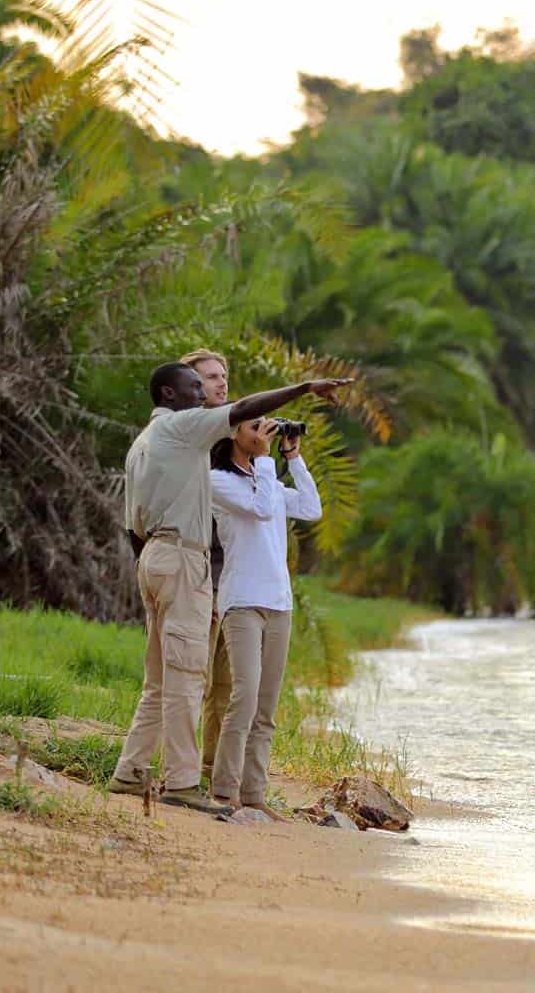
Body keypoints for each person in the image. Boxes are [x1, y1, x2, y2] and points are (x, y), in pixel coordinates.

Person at [109, 361, 351, 812]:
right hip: (180, 556)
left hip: (155, 554)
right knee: (186, 675)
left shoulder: (142, 443)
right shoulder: (181, 429)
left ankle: (130, 770)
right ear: (168, 394)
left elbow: (131, 523)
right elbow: (243, 408)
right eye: (195, 387)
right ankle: (181, 784)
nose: (204, 395)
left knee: (160, 679)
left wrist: (152, 562)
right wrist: (303, 387)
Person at [208, 416, 321, 818]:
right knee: (245, 696)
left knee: (267, 707)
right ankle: (224, 790)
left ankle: (254, 794)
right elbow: (257, 509)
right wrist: (265, 459)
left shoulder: (270, 482)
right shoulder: (218, 481)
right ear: (233, 433)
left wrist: (293, 457)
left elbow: (311, 508)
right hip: (241, 601)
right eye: (255, 426)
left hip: (279, 602)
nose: (264, 433)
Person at [177, 348, 233, 792]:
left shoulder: (235, 439)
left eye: (223, 375)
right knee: (193, 681)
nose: (221, 383)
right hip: (196, 573)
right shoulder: (183, 437)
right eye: (211, 377)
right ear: (191, 387)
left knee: (226, 687)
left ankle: (215, 774)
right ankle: (181, 773)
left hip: (233, 578)